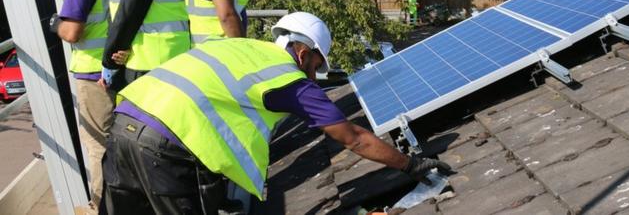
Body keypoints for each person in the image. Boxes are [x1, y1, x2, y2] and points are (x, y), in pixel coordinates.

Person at [102, 12, 452, 214]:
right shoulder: (289, 79)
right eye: (315, 66)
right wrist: (412, 165)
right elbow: (355, 139)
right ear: (303, 54)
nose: (314, 77)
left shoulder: (241, 47)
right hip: (164, 146)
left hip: (124, 121)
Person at [39, 0, 121, 210]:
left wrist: (55, 24)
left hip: (94, 73)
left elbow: (73, 31)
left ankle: (101, 208)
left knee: (99, 147)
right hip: (130, 64)